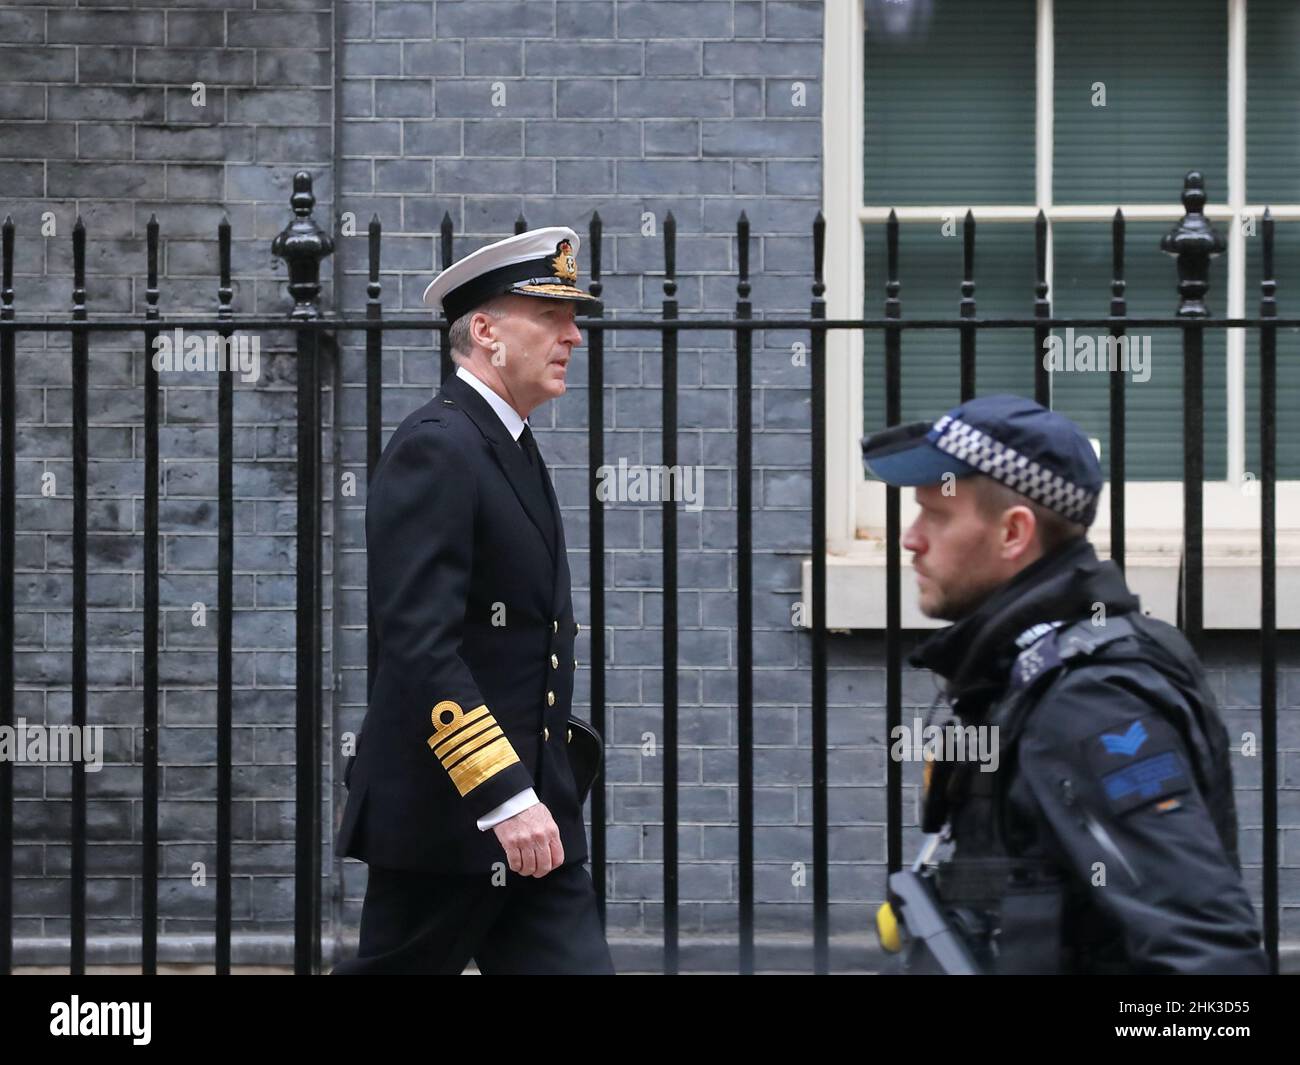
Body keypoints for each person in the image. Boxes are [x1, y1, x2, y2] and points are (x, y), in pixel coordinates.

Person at [861, 394, 1268, 974]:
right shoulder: (1017, 673)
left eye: (938, 515)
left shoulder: (1091, 699)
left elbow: (1213, 973)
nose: (911, 538)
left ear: (1013, 534)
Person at [332, 226, 615, 974]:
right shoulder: (440, 444)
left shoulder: (506, 442)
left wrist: (535, 792)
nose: (573, 337)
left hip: (534, 815)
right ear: (486, 332)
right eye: (551, 317)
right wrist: (501, 794)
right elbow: (420, 643)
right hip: (451, 820)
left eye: (574, 319)